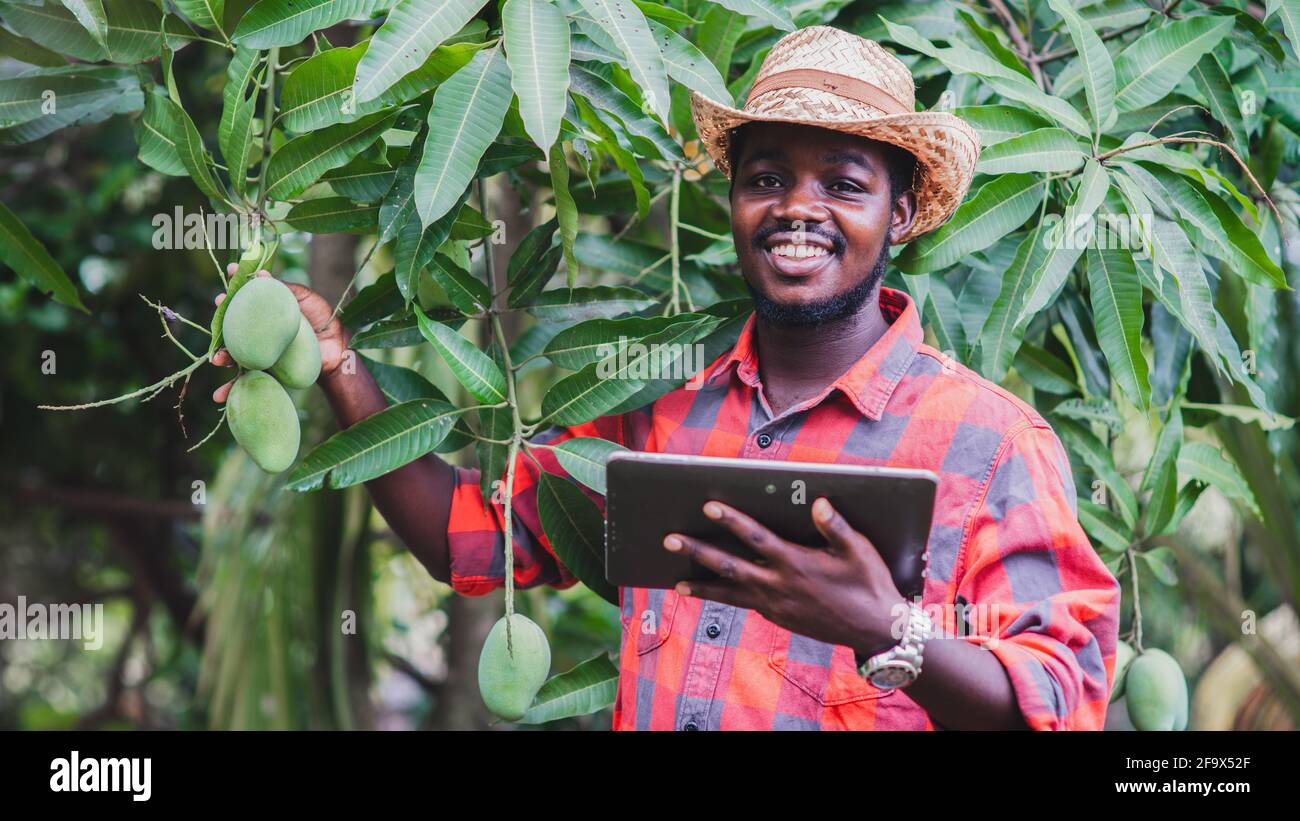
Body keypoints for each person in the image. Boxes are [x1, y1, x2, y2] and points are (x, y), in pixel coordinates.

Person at [213, 26, 1119, 730]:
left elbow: (1062, 698)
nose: (797, 207)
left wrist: (888, 627)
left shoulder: (989, 441)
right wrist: (337, 364)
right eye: (767, 177)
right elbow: (474, 539)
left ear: (902, 212)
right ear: (733, 202)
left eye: (844, 184)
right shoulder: (658, 406)